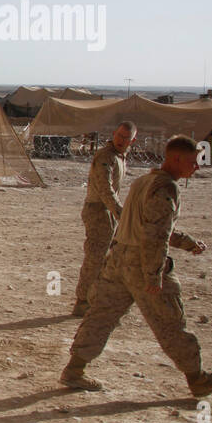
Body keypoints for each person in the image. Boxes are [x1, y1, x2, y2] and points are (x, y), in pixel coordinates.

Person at [61, 135, 212, 397]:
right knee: (169, 322)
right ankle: (197, 377)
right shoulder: (166, 188)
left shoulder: (144, 182)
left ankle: (75, 369)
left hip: (118, 259)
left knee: (101, 316)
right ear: (176, 159)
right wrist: (154, 276)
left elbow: (152, 227)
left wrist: (189, 243)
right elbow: (154, 235)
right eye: (193, 161)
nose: (196, 167)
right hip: (142, 262)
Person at [73, 122, 136, 316]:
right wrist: (120, 214)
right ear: (114, 134)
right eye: (119, 135)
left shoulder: (119, 157)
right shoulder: (105, 157)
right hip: (99, 212)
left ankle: (99, 298)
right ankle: (83, 301)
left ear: (132, 140)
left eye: (126, 138)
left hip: (108, 212)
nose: (121, 140)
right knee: (95, 257)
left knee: (111, 259)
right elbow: (105, 189)